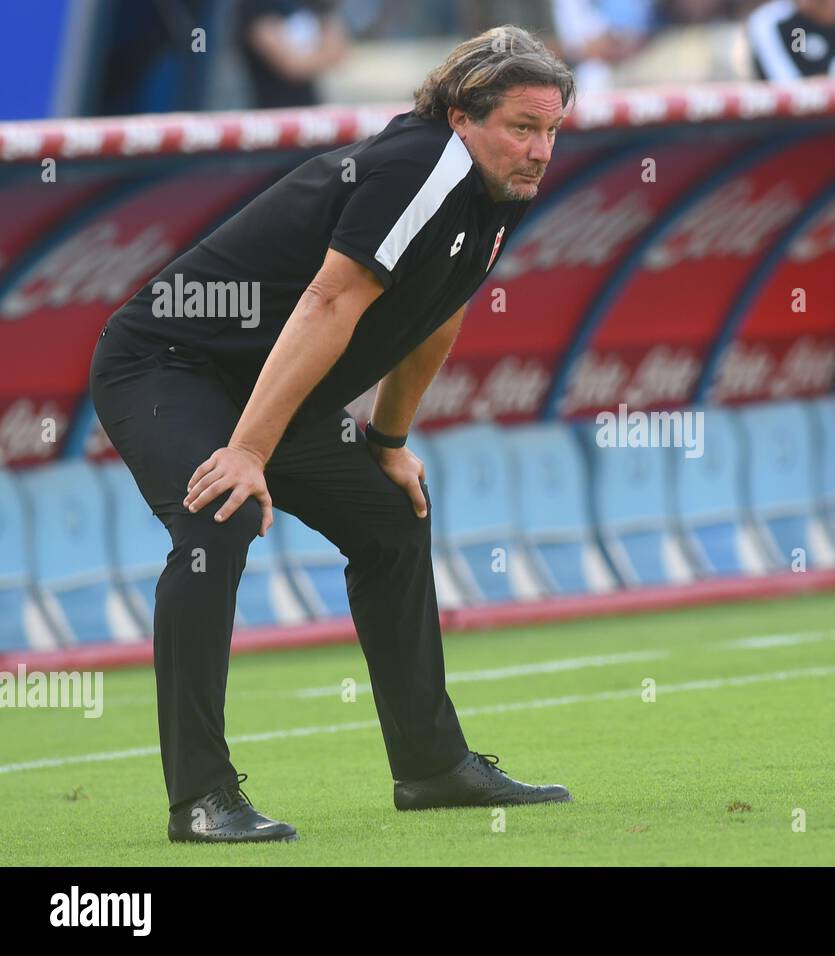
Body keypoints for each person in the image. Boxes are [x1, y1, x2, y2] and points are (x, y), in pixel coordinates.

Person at [88, 25, 576, 844]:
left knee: (392, 519)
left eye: (553, 130)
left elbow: (437, 317)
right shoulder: (422, 166)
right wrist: (245, 451)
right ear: (464, 117)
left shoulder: (498, 193)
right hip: (167, 364)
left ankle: (430, 767)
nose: (540, 150)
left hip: (271, 390)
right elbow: (328, 303)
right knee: (221, 517)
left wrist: (388, 443)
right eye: (523, 127)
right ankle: (201, 800)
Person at [236, 0, 350, 108]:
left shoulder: (308, 3)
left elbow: (339, 53)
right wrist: (322, 54)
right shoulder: (257, 5)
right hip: (273, 112)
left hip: (311, 110)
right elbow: (290, 66)